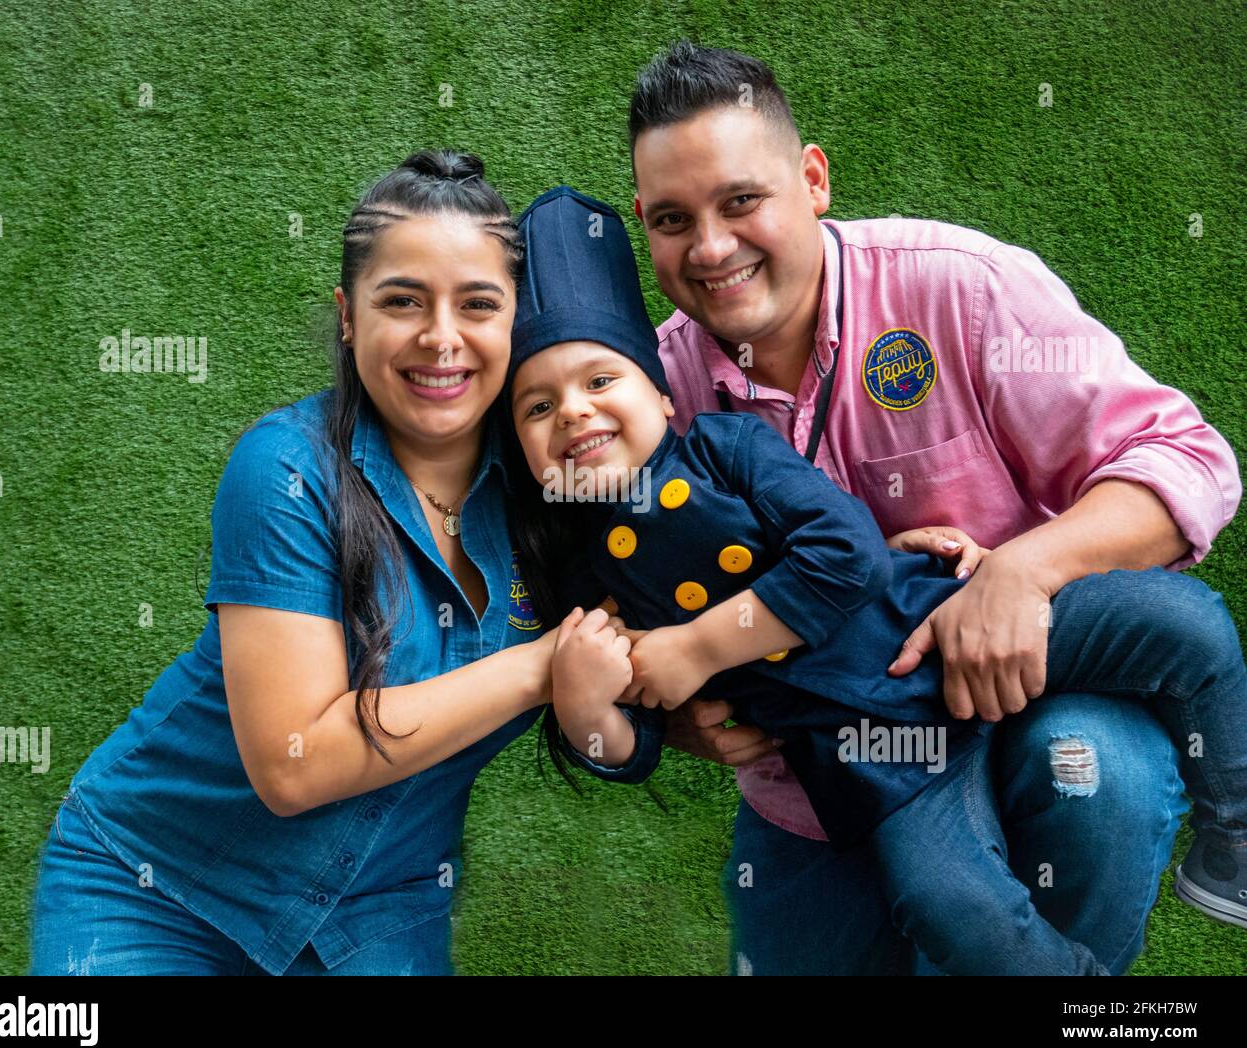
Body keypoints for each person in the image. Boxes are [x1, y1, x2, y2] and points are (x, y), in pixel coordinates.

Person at [501, 184, 1247, 975]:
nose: (574, 414)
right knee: (953, 909)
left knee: (1184, 622)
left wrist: (699, 645)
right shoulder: (589, 576)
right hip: (874, 756)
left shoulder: (724, 446)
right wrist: (589, 703)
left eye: (599, 382)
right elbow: (633, 739)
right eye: (537, 408)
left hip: (936, 625)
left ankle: (1234, 837)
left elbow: (846, 553)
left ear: (660, 393)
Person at [28, 150, 561, 976]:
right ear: (349, 317)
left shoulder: (557, 484)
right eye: (402, 301)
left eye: (478, 304)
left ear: (516, 321)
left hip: (380, 912)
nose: (441, 337)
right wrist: (542, 668)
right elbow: (292, 764)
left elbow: (628, 659)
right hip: (157, 887)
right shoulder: (283, 467)